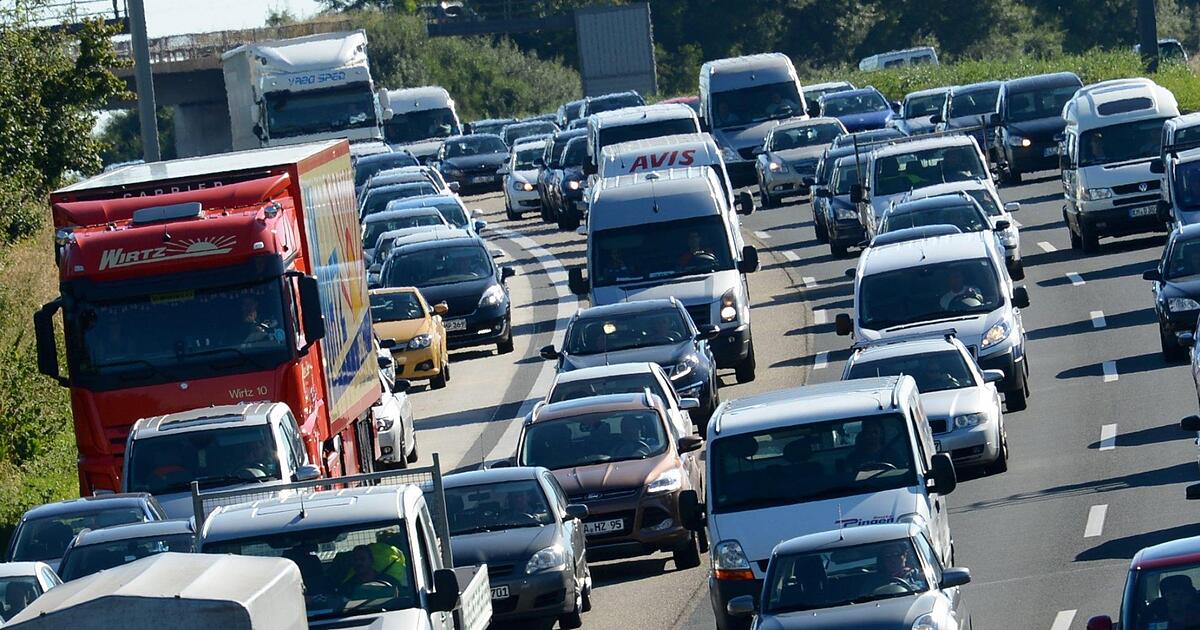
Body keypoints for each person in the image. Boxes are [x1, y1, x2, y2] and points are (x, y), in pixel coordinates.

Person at [338, 543, 409, 596]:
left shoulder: (390, 581)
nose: (358, 563)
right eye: (355, 560)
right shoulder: (348, 587)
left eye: (362, 559)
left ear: (371, 560)